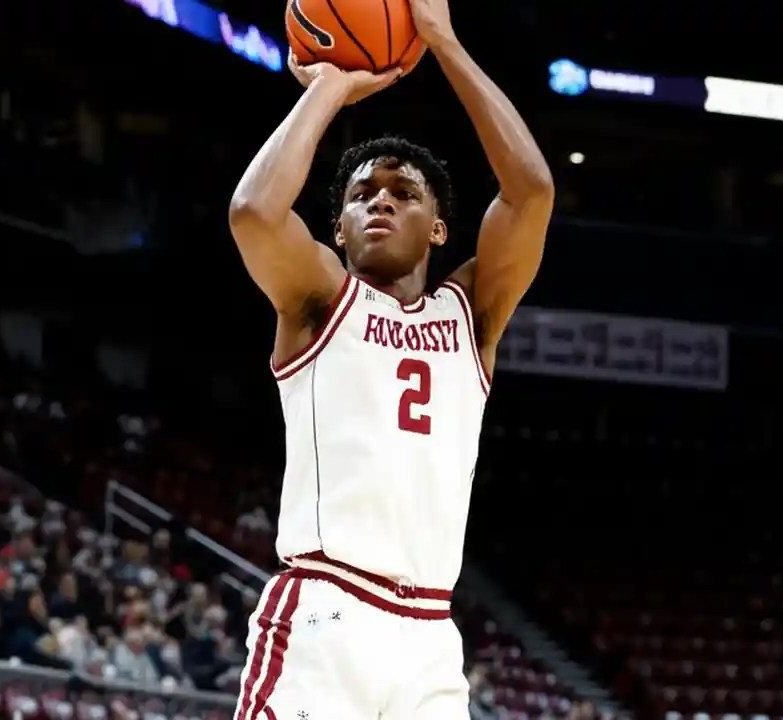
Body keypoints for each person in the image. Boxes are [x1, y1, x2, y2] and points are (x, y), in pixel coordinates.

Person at [226, 0, 553, 716]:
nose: (380, 202)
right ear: (337, 230)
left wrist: (443, 41)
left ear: (438, 228)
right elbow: (254, 213)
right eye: (360, 195)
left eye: (403, 194)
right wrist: (331, 86)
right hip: (326, 613)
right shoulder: (318, 298)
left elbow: (531, 193)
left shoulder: (470, 314)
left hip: (429, 639)